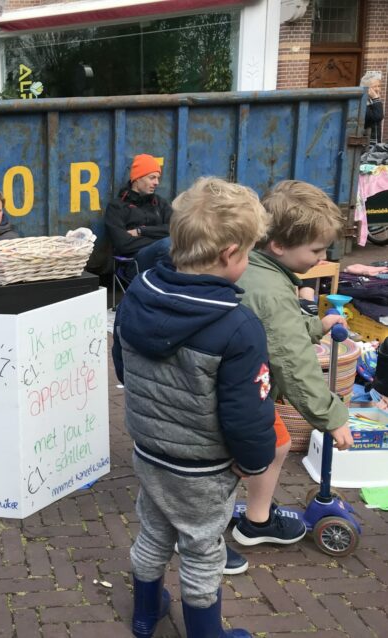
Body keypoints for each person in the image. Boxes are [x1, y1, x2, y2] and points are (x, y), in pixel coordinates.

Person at [112, 177, 274, 638]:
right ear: (229, 254)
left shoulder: (136, 295)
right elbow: (247, 413)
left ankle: (145, 614)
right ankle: (206, 633)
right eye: (248, 254)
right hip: (202, 468)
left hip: (149, 451)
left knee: (153, 530)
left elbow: (123, 366)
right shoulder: (237, 326)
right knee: (203, 549)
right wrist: (254, 461)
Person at [234, 180, 353, 548]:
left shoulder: (261, 271)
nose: (322, 257)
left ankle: (250, 512)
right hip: (243, 388)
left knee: (272, 445)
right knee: (272, 445)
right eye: (316, 249)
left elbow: (275, 328)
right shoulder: (270, 289)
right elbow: (290, 358)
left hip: (240, 382)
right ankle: (255, 522)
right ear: (279, 245)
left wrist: (316, 326)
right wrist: (331, 416)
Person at [103, 154, 172, 279]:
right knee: (168, 244)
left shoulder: (160, 203)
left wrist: (141, 231)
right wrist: (160, 239)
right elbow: (123, 244)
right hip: (132, 265)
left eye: (158, 178)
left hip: (163, 261)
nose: (156, 183)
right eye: (152, 178)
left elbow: (174, 229)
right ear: (137, 179)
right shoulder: (117, 207)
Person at [362, 71, 383, 144]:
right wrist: (375, 98)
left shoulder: (372, 101)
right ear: (367, 89)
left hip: (373, 143)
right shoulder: (363, 103)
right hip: (365, 145)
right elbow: (378, 116)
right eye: (374, 86)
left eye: (379, 86)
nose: (378, 89)